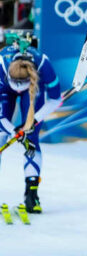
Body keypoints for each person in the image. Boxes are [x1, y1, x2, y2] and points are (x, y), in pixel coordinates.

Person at [0, 38, 62, 213]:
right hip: (3, 88)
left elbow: (56, 99)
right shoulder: (0, 67)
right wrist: (13, 130)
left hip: (34, 89)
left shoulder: (44, 66)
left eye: (22, 86)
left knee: (31, 140)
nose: (18, 89)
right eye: (16, 85)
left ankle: (31, 194)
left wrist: (32, 122)